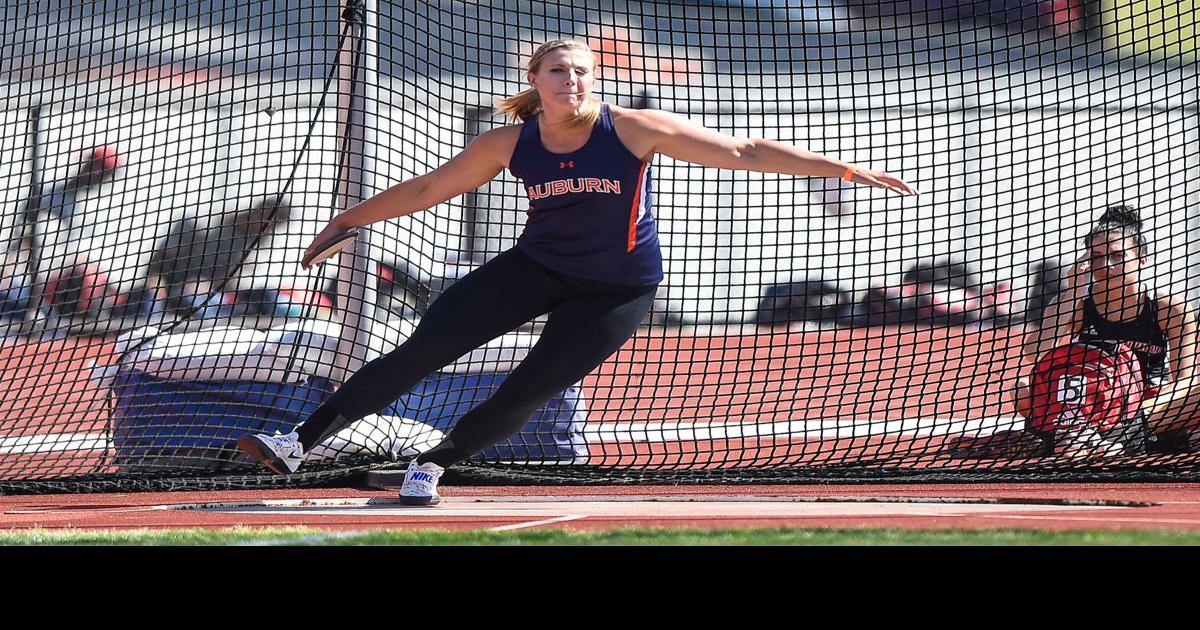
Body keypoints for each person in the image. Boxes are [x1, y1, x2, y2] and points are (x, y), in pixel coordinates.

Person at [237, 39, 918, 505]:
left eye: (583, 72)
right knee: (425, 347)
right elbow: (423, 191)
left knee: (529, 390)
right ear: (535, 81)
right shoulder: (508, 141)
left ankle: (433, 465)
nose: (573, 82)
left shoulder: (632, 129)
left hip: (618, 289)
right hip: (534, 268)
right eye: (559, 71)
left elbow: (740, 149)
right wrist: (345, 221)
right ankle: (298, 443)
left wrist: (844, 167)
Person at [957, 205, 1197, 459]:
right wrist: (1073, 293)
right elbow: (1034, 352)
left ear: (1141, 260)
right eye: (1096, 256)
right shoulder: (1077, 304)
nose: (1106, 264)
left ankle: (1086, 439)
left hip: (1147, 404)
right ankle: (1108, 442)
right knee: (1023, 390)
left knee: (1196, 393)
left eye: (1117, 256)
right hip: (1088, 401)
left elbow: (1183, 381)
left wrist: (1132, 410)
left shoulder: (1169, 308)